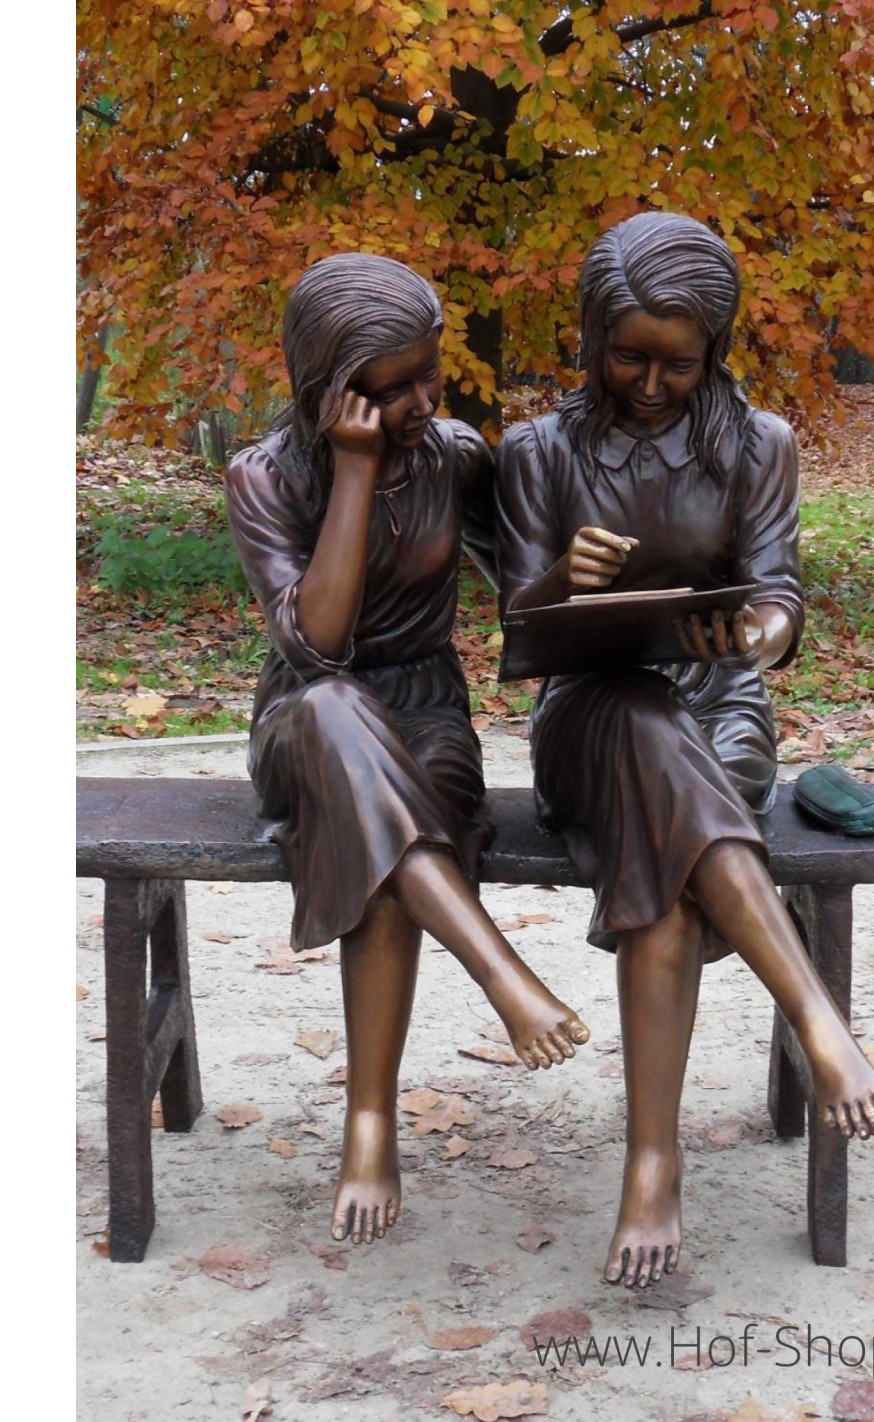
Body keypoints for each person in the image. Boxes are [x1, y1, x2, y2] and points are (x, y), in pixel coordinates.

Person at [495, 212, 874, 1290]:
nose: (648, 382)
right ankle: (817, 1018)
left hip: (718, 707)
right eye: (626, 354)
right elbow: (518, 635)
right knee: (635, 722)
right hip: (586, 712)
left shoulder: (756, 443)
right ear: (589, 334)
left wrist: (759, 634)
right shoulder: (536, 450)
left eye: (677, 361)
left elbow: (776, 595)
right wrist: (559, 582)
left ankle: (651, 1163)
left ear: (713, 350)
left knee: (666, 869)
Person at [225, 253, 589, 1248]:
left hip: (426, 712)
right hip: (309, 719)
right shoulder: (263, 475)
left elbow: (524, 599)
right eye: (395, 389)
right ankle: (500, 977)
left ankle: (369, 1121)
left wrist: (571, 572)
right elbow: (320, 643)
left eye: (433, 374)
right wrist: (353, 468)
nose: (426, 402)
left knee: (399, 830)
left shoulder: (453, 455)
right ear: (327, 389)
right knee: (345, 716)